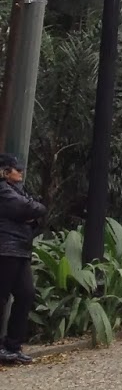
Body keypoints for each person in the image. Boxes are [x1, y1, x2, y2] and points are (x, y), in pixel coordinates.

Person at [0, 155, 46, 366]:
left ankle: (13, 345)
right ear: (5, 172)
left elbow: (37, 210)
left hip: (20, 250)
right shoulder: (3, 190)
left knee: (26, 294)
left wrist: (30, 213)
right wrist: (29, 213)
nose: (21, 173)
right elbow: (29, 208)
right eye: (17, 170)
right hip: (5, 249)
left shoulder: (18, 191)